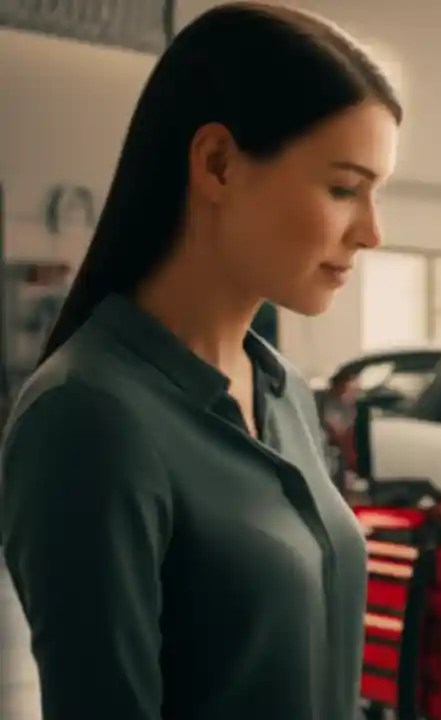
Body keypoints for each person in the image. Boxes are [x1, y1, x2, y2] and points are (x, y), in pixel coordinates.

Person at [0, 3, 399, 718]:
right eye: (344, 188)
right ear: (217, 163)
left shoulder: (282, 394)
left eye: (376, 194)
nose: (372, 231)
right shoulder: (89, 419)